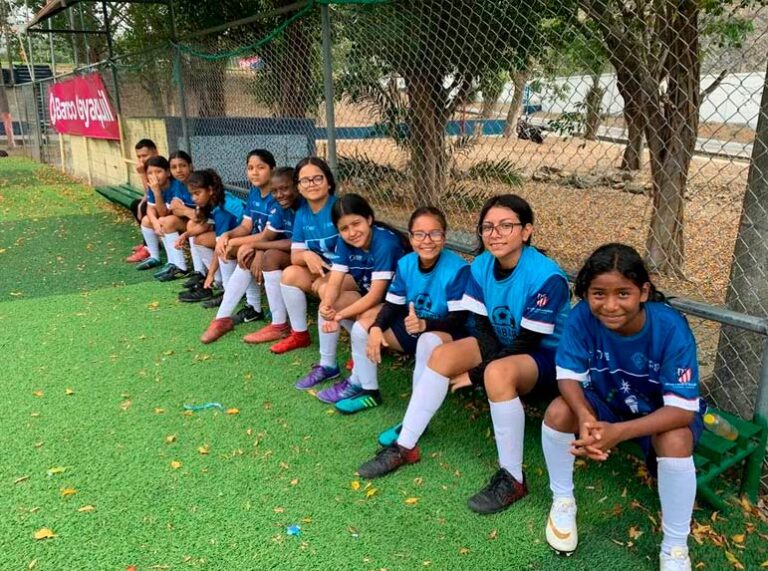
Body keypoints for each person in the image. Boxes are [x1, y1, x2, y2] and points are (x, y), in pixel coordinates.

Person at [357, 194, 570, 518]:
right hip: (502, 345)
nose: (495, 233)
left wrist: (475, 373)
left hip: (546, 357)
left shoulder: (546, 276)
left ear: (526, 231)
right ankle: (405, 445)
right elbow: (483, 326)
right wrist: (480, 363)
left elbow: (528, 341)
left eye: (506, 226)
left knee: (496, 373)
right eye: (488, 227)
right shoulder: (482, 264)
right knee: (441, 355)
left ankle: (513, 478)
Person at [541, 243, 703, 570]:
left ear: (643, 292)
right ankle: (563, 499)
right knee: (560, 411)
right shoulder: (581, 317)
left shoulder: (670, 327)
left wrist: (619, 433)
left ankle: (674, 547)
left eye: (623, 294)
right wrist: (586, 416)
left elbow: (683, 411)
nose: (610, 305)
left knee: (676, 439)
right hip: (608, 405)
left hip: (659, 414)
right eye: (599, 293)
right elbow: (569, 377)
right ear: (586, 293)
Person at [360, 207, 470, 435]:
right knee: (363, 329)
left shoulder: (458, 268)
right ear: (410, 237)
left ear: (444, 237)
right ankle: (367, 391)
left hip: (449, 334)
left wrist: (425, 325)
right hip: (415, 326)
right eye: (419, 234)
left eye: (434, 234)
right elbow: (392, 304)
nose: (427, 241)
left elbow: (458, 320)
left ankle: (415, 421)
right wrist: (376, 328)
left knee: (427, 341)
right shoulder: (407, 263)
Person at [294, 193, 408, 412]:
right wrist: (327, 306)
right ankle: (328, 365)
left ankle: (361, 385)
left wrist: (338, 317)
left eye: (356, 223)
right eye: (344, 228)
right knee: (329, 298)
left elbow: (376, 295)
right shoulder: (345, 242)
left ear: (369, 219)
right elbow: (335, 283)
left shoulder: (384, 243)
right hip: (374, 301)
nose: (352, 232)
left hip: (398, 306)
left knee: (360, 325)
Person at [200, 167, 301, 343]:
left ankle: (277, 323)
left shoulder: (300, 205)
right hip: (286, 250)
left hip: (308, 258)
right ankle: (222, 318)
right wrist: (232, 238)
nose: (279, 194)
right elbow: (265, 234)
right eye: (250, 168)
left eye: (261, 167)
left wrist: (256, 247)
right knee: (245, 254)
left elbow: (292, 242)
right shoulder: (267, 198)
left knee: (264, 256)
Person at [271, 157, 353, 355]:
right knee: (290, 274)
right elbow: (295, 256)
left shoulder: (340, 208)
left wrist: (328, 279)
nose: (312, 184)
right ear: (299, 186)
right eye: (305, 180)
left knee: (325, 288)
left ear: (329, 181)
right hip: (324, 272)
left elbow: (355, 258)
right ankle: (300, 334)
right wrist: (307, 255)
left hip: (351, 273)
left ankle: (358, 341)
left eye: (317, 178)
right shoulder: (302, 212)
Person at [182, 149, 276, 307]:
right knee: (221, 241)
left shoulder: (276, 196)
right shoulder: (254, 192)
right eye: (250, 168)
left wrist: (211, 273)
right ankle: (229, 290)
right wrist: (228, 234)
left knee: (229, 246)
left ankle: (229, 291)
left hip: (272, 243)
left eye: (260, 167)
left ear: (272, 169)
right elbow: (246, 225)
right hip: (257, 238)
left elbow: (268, 236)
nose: (254, 173)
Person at [176, 169, 243, 298]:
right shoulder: (215, 199)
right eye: (192, 194)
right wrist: (185, 235)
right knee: (200, 239)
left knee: (224, 248)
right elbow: (206, 225)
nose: (193, 198)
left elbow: (220, 246)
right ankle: (217, 282)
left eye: (197, 193)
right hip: (235, 236)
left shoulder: (223, 210)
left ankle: (226, 289)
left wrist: (210, 273)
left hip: (247, 238)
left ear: (210, 190)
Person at [135, 156, 195, 271]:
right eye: (150, 173)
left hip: (186, 221)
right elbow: (150, 208)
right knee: (147, 220)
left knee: (165, 221)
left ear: (167, 172)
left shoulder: (175, 185)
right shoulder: (153, 186)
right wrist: (155, 223)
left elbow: (163, 213)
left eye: (158, 172)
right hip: (174, 220)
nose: (154, 176)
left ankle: (177, 264)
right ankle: (155, 257)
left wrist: (157, 192)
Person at [154, 150, 196, 281]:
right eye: (174, 167)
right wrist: (180, 210)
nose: (178, 170)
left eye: (182, 165)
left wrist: (183, 209)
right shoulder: (178, 184)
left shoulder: (198, 182)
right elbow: (173, 209)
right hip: (193, 220)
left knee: (191, 224)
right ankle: (178, 266)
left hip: (210, 223)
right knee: (166, 220)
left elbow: (202, 215)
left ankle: (200, 272)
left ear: (191, 166)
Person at [126, 139, 159, 263]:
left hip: (167, 205)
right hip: (157, 201)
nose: (142, 160)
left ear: (155, 153)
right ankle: (150, 242)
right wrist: (141, 203)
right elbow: (149, 194)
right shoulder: (149, 166)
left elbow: (152, 194)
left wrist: (142, 174)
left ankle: (148, 248)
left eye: (145, 155)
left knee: (144, 207)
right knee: (136, 204)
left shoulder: (158, 166)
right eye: (139, 156)